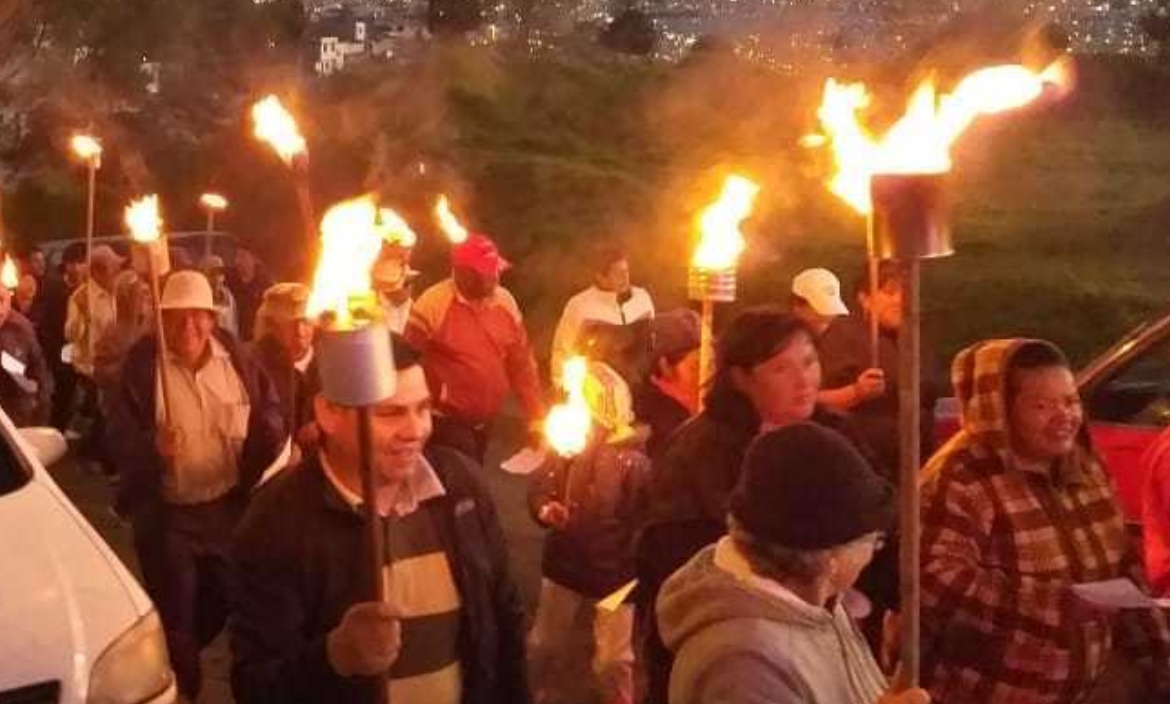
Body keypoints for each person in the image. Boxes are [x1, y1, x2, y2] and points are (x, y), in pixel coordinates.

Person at [230, 334, 530, 704]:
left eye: (423, 409)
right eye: (391, 413)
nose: (416, 430)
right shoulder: (276, 522)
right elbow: (255, 686)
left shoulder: (460, 487)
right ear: (329, 413)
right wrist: (333, 657)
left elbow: (504, 615)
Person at [920, 338, 1170, 704]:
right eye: (1041, 405)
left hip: (1081, 689)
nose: (1063, 416)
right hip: (986, 691)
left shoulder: (1085, 469)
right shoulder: (962, 478)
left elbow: (1124, 570)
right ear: (1000, 411)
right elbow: (937, 581)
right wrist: (1055, 604)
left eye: (1070, 401)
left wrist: (1160, 660)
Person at [636, 307, 834, 704]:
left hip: (809, 640)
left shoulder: (829, 434)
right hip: (728, 651)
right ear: (741, 378)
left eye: (810, 362)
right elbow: (682, 569)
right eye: (782, 369)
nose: (804, 381)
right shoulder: (700, 453)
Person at [107, 270, 285, 700]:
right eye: (178, 316)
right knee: (178, 615)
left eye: (198, 316)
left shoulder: (238, 361)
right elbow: (117, 439)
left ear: (212, 317)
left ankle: (171, 654)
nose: (189, 327)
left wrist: (278, 445)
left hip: (227, 510)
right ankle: (186, 688)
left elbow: (268, 413)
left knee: (227, 601)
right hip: (170, 516)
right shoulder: (141, 367)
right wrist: (152, 449)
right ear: (162, 319)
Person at [658, 423, 928, 704]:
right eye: (874, 541)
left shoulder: (814, 602)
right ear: (830, 558)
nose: (874, 552)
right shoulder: (744, 668)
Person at [528, 361, 651, 704]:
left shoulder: (634, 462)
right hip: (565, 565)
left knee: (613, 660)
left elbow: (644, 520)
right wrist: (546, 508)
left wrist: (633, 565)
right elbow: (541, 486)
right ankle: (530, 695)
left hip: (616, 574)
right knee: (544, 645)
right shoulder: (567, 440)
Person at [405, 232, 545, 463]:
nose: (495, 279)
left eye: (495, 271)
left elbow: (521, 365)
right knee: (463, 484)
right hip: (445, 423)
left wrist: (537, 417)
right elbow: (406, 362)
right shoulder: (433, 305)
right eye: (487, 274)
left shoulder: (505, 302)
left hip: (486, 423)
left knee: (473, 476)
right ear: (462, 274)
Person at [817, 261, 938, 478]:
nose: (900, 300)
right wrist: (856, 392)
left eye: (905, 292)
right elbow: (816, 400)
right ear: (865, 299)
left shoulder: (914, 339)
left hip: (917, 465)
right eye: (890, 292)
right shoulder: (844, 335)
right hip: (865, 469)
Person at [550, 243, 655, 386]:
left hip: (640, 386)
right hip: (598, 392)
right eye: (618, 274)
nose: (625, 278)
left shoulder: (642, 298)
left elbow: (653, 343)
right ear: (600, 277)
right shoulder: (580, 306)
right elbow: (562, 351)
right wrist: (562, 386)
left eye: (626, 271)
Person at [250, 283, 317, 453]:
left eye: (306, 321)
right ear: (273, 326)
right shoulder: (255, 367)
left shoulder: (331, 362)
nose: (300, 331)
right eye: (290, 323)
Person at [633, 308, 701, 461]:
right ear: (665, 367)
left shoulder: (714, 404)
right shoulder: (652, 425)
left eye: (709, 363)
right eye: (695, 366)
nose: (706, 375)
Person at [0, 284, 52, 426]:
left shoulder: (21, 328)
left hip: (16, 411)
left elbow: (38, 369)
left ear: (9, 301)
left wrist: (41, 413)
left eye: (1, 300)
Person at [226, 245, 273, 342]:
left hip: (255, 339)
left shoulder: (265, 285)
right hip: (233, 337)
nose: (237, 261)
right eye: (237, 256)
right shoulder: (229, 280)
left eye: (243, 256)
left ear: (254, 259)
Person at [372, 244, 420, 334]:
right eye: (401, 254)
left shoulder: (404, 267)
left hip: (401, 325)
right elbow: (398, 295)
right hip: (385, 326)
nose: (406, 257)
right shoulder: (384, 268)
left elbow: (404, 296)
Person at [789, 267, 849, 336]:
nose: (832, 317)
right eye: (820, 318)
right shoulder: (793, 341)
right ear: (797, 307)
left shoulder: (842, 333)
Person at [202, 255, 239, 337]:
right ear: (205, 276)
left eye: (220, 273)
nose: (217, 278)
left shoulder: (229, 297)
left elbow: (235, 324)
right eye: (212, 274)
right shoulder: (201, 298)